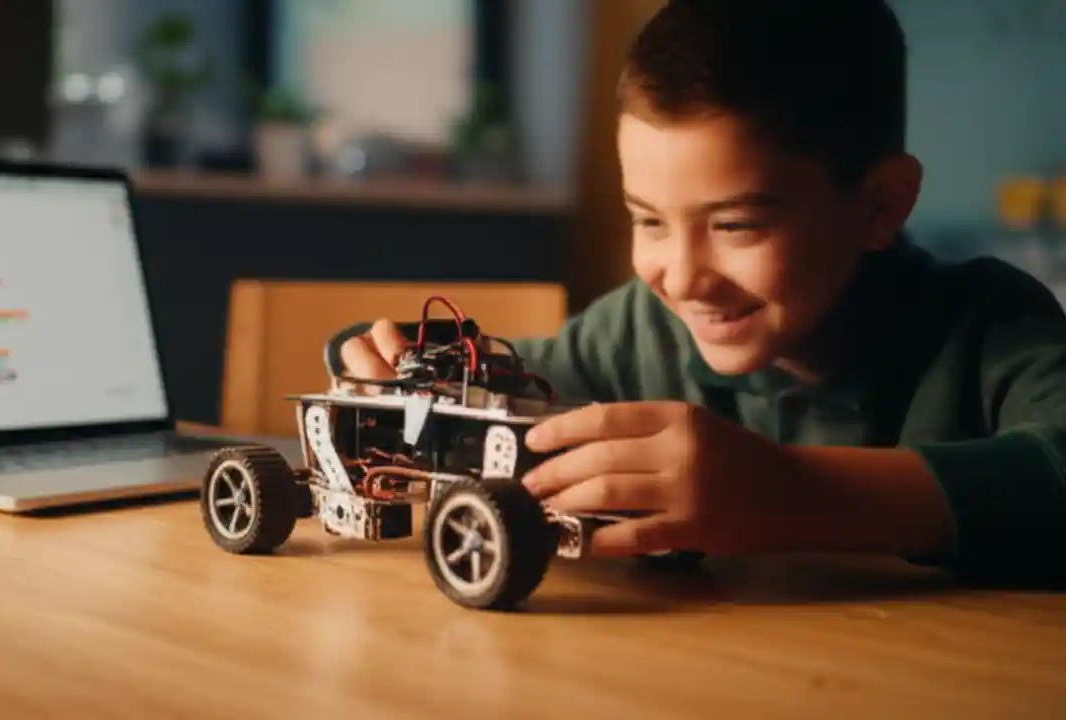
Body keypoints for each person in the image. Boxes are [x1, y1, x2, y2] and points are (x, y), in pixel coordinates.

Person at [340, 0, 1066, 584]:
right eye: (647, 220)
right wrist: (396, 359)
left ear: (879, 205)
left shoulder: (991, 328)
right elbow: (508, 380)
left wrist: (791, 493)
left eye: (736, 224)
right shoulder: (640, 330)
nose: (681, 278)